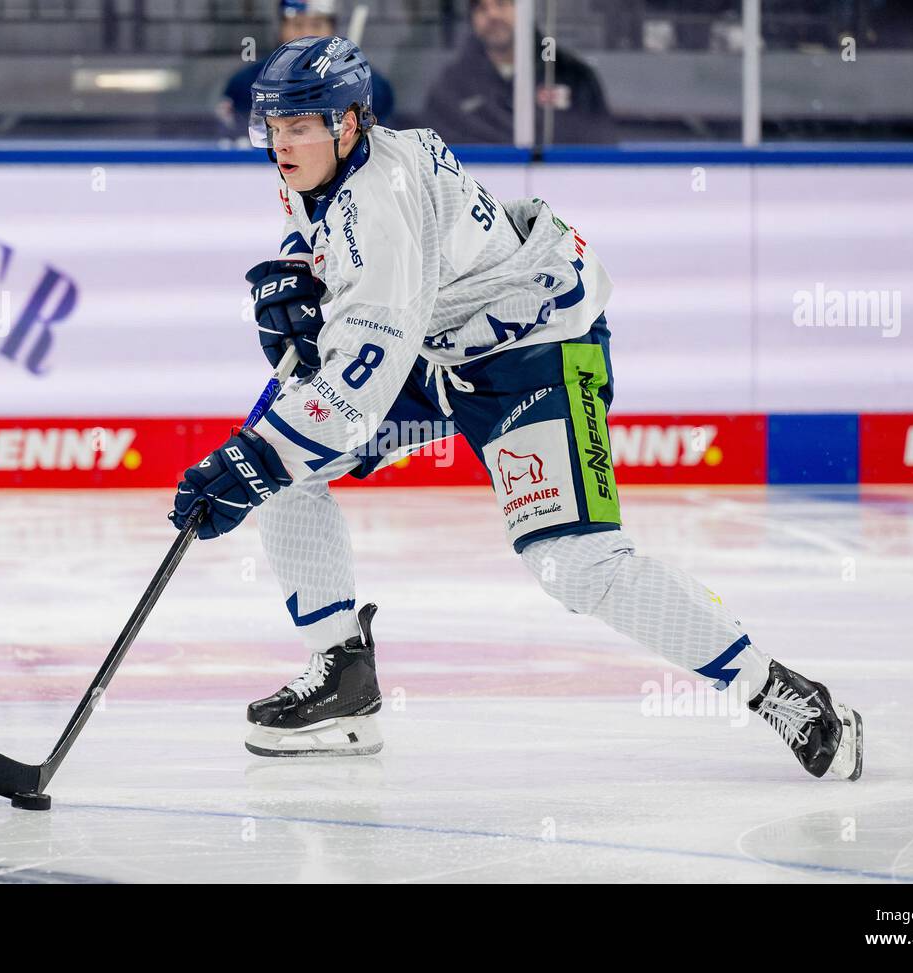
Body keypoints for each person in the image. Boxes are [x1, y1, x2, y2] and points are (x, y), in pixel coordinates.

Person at [170, 35, 863, 781]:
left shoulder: (383, 197)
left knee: (573, 562)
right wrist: (301, 280)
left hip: (534, 349)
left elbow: (357, 389)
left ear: (348, 122)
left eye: (299, 126)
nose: (281, 144)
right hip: (443, 354)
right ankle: (343, 674)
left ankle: (778, 691)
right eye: (273, 128)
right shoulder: (334, 166)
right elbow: (336, 256)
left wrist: (257, 457)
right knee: (285, 467)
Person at [423, 0, 616, 144]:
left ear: (523, 10)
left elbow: (600, 145)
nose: (492, 15)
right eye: (482, 8)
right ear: (472, 21)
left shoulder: (573, 76)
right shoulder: (452, 85)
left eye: (501, 3)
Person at [216, 0, 394, 139]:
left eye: (316, 25)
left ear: (332, 29)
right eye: (298, 24)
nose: (307, 33)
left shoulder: (371, 86)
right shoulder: (245, 84)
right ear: (281, 29)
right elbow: (232, 136)